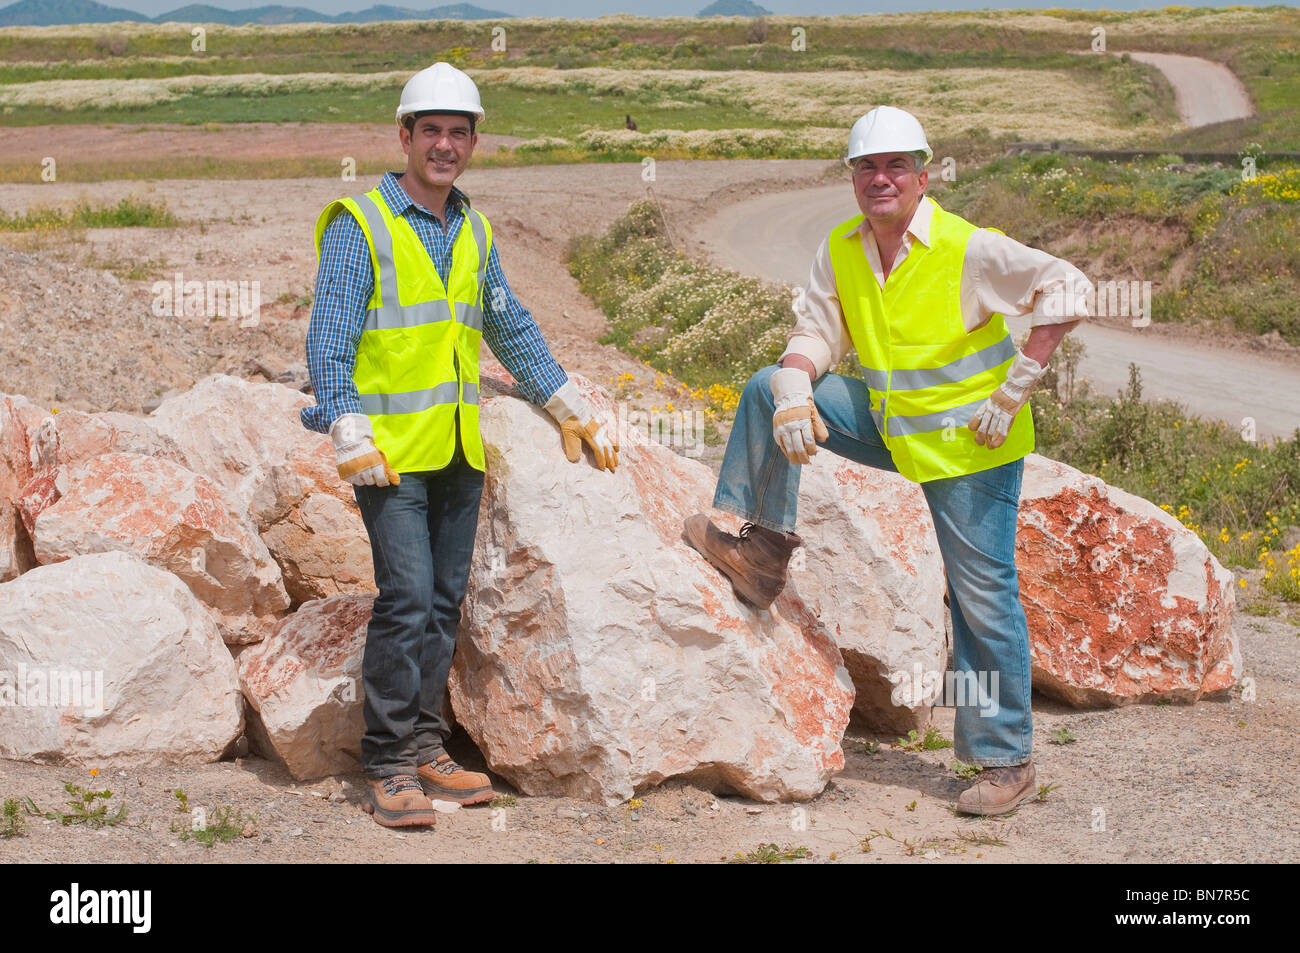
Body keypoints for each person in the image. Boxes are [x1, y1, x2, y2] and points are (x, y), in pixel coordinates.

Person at [683, 105, 1091, 816]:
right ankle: (763, 548)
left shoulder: (967, 248)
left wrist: (1021, 379)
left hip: (973, 447)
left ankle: (1005, 761)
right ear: (852, 179)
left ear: (922, 176)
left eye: (895, 166)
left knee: (982, 596)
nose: (881, 178)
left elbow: (1071, 288)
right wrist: (793, 382)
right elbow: (817, 328)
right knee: (761, 388)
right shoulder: (842, 247)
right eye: (867, 167)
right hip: (889, 423)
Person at [301, 62, 618, 828]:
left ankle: (423, 744)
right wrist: (346, 426)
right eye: (431, 131)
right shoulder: (362, 221)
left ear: (474, 142)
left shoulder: (472, 227)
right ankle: (385, 763)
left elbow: (507, 322)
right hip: (387, 452)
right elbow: (329, 337)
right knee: (406, 598)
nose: (445, 145)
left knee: (444, 601)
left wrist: (565, 402)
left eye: (459, 133)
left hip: (455, 448)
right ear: (404, 135)